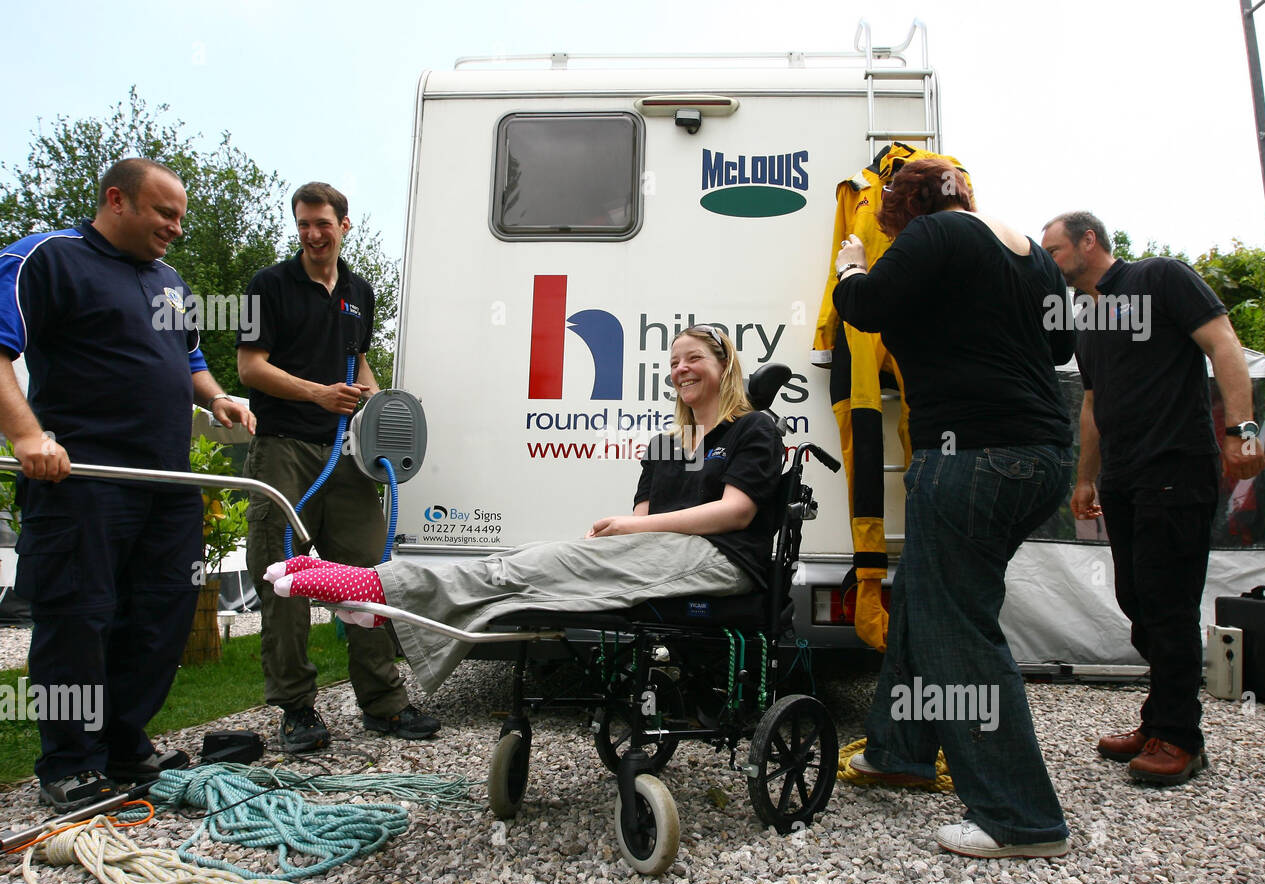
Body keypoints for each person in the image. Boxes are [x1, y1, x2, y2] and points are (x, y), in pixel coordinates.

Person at [264, 326, 782, 699]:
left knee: (548, 565)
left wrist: (631, 527)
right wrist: (627, 531)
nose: (680, 370)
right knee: (532, 562)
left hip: (722, 560)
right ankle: (391, 597)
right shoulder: (667, 444)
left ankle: (382, 590)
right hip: (658, 555)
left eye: (693, 359)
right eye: (673, 363)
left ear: (724, 366)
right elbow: (643, 520)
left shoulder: (752, 428)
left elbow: (735, 512)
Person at [831, 157, 1075, 858]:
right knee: (924, 597)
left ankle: (1019, 818)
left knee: (956, 629)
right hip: (1040, 458)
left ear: (906, 209)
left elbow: (869, 309)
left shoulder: (934, 234)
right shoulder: (1031, 255)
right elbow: (1062, 343)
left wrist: (853, 266)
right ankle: (899, 749)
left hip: (972, 457)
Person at [0, 158, 255, 811]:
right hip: (84, 480)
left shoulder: (168, 280)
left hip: (165, 481)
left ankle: (122, 742)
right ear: (117, 199)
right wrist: (28, 436)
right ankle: (69, 761)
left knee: (161, 612)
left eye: (181, 217)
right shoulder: (47, 258)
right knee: (77, 618)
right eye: (164, 213)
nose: (175, 228)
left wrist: (218, 396)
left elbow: (188, 355)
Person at [1041, 211, 1265, 785]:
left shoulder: (1160, 278)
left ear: (1089, 241)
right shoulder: (1088, 319)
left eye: (1057, 249)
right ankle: (1158, 719)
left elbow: (1223, 343)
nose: (1051, 260)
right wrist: (1085, 478)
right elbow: (1093, 404)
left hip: (1177, 467)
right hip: (1123, 477)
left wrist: (1242, 430)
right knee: (1138, 601)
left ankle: (1182, 741)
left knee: (1166, 605)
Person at [238, 182, 438, 752]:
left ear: (344, 225)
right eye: (303, 224)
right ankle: (297, 709)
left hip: (346, 454)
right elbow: (251, 368)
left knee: (370, 578)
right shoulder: (267, 286)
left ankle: (383, 703)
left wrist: (382, 410)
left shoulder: (360, 291)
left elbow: (359, 362)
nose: (312, 234)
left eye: (322, 223)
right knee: (285, 580)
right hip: (284, 450)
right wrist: (316, 395)